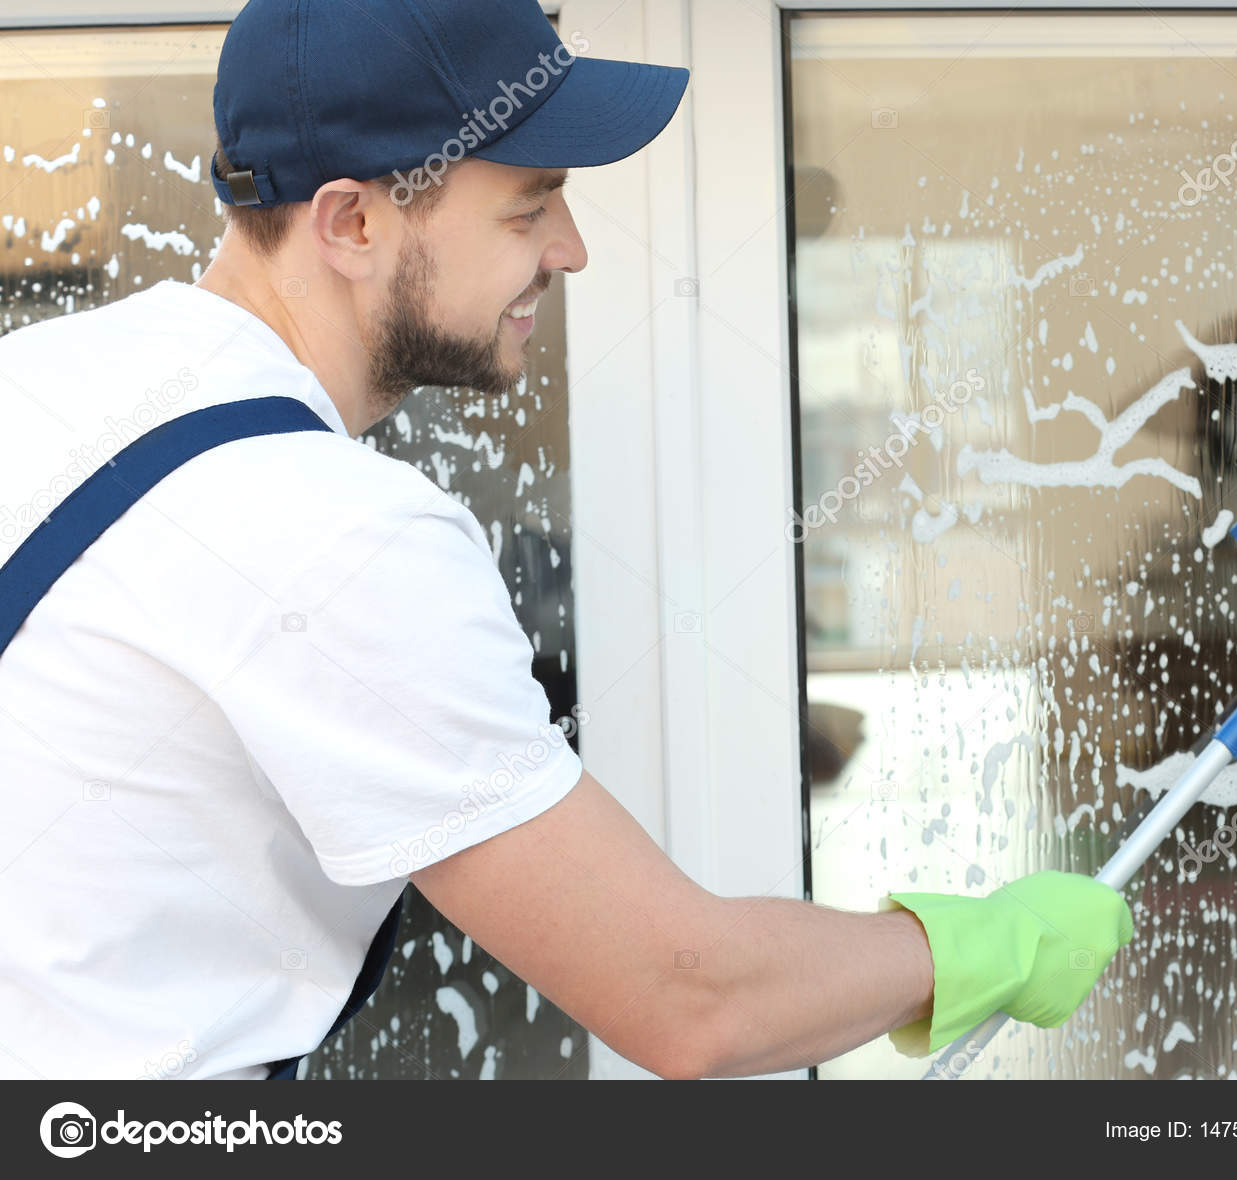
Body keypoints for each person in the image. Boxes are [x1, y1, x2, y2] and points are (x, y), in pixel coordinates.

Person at [0, 0, 1130, 1081]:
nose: (573, 249)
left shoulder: (36, 386)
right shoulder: (339, 530)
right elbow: (688, 996)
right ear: (351, 222)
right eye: (527, 206)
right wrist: (979, 945)